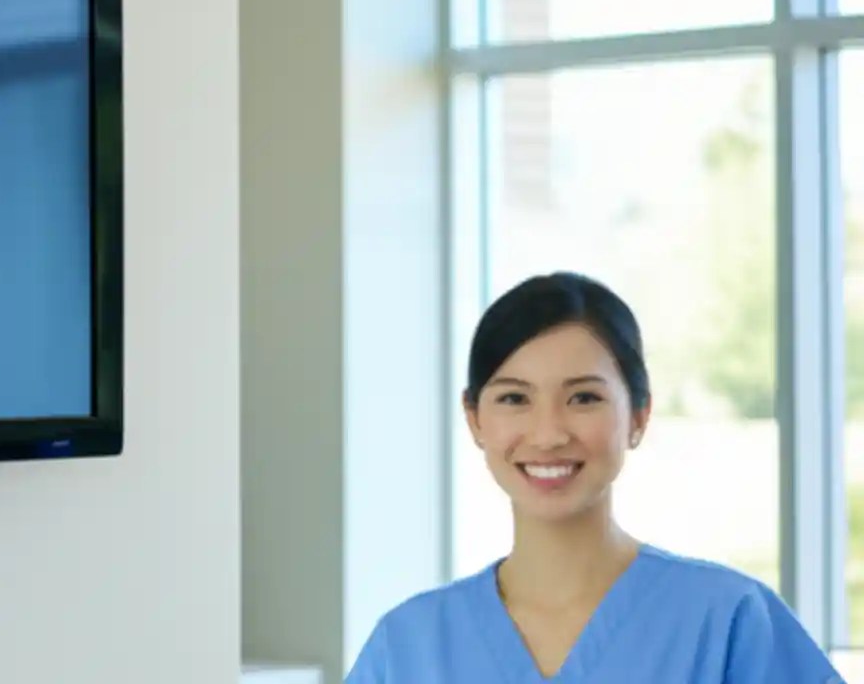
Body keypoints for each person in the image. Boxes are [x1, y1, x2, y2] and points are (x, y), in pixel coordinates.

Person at [345, 272, 844, 683]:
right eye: (514, 398)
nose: (547, 435)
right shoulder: (408, 647)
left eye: (584, 398)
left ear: (639, 416)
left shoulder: (727, 622)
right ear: (475, 419)